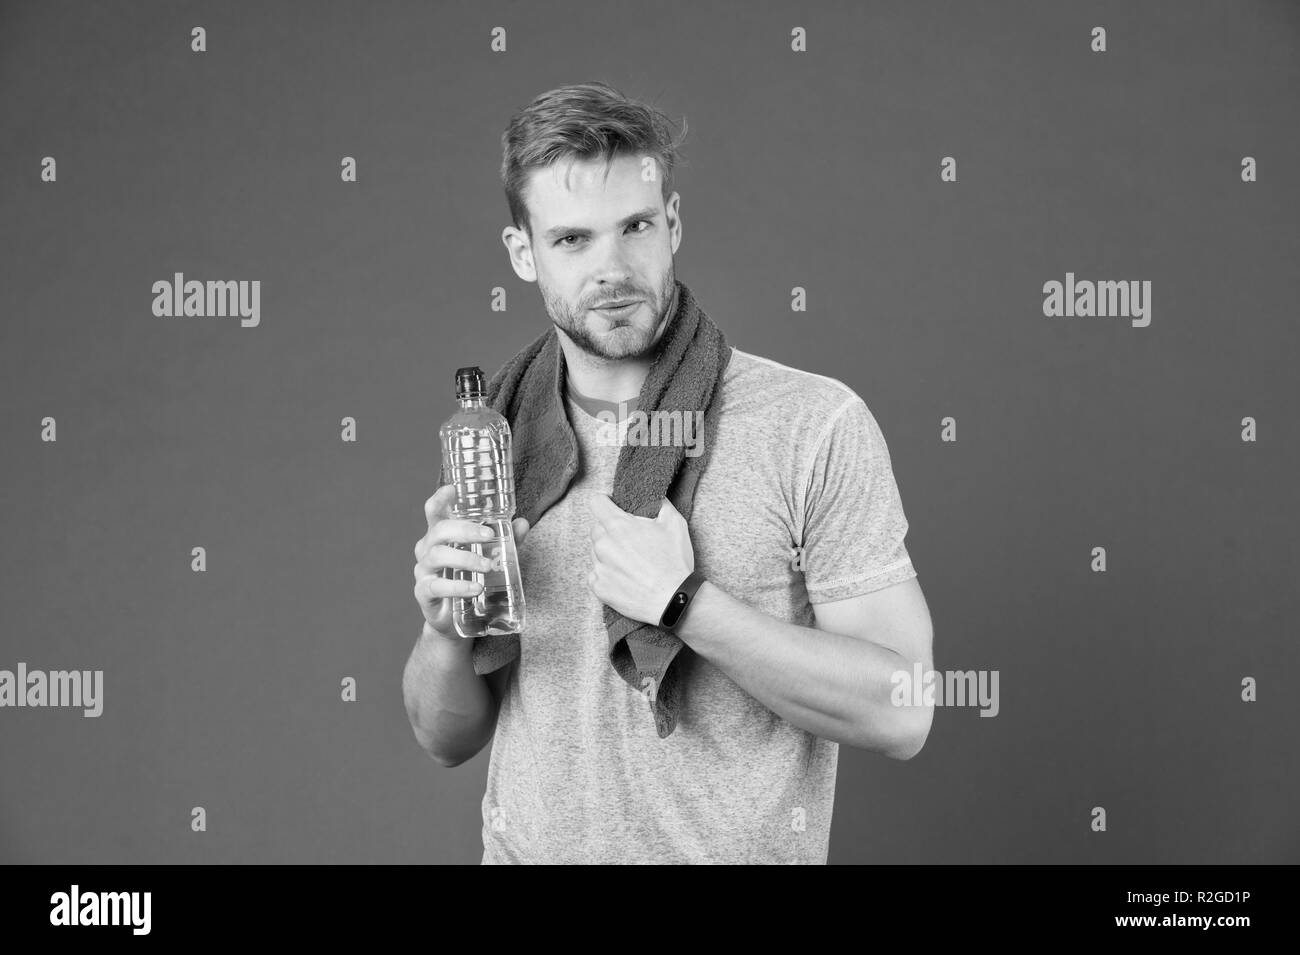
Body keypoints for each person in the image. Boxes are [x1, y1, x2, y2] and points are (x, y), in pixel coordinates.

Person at [405, 81, 934, 864]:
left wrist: (686, 604)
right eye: (573, 239)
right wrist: (444, 631)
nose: (612, 267)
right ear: (523, 254)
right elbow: (446, 738)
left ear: (673, 224)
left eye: (636, 227)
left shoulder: (810, 424)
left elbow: (904, 712)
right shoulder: (499, 443)